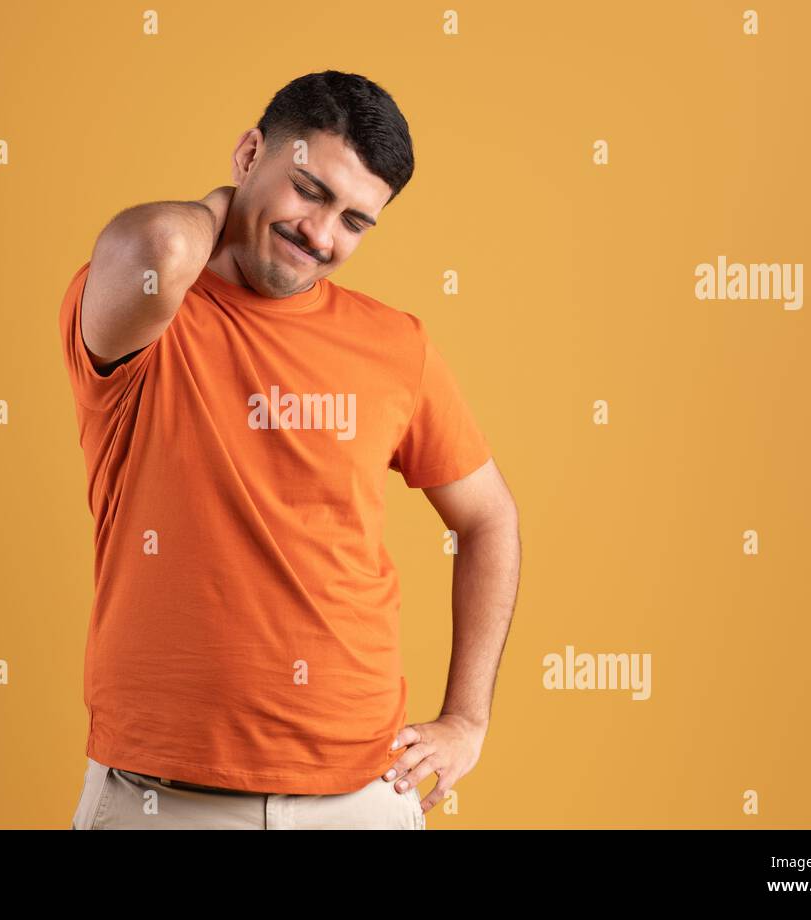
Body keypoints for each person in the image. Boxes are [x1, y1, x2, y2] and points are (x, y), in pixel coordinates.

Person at [59, 71, 520, 829]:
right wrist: (224, 207)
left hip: (362, 797)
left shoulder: (394, 343)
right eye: (308, 189)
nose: (321, 234)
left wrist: (467, 719)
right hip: (162, 800)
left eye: (355, 221)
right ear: (249, 155)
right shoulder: (146, 308)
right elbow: (156, 242)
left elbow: (489, 519)